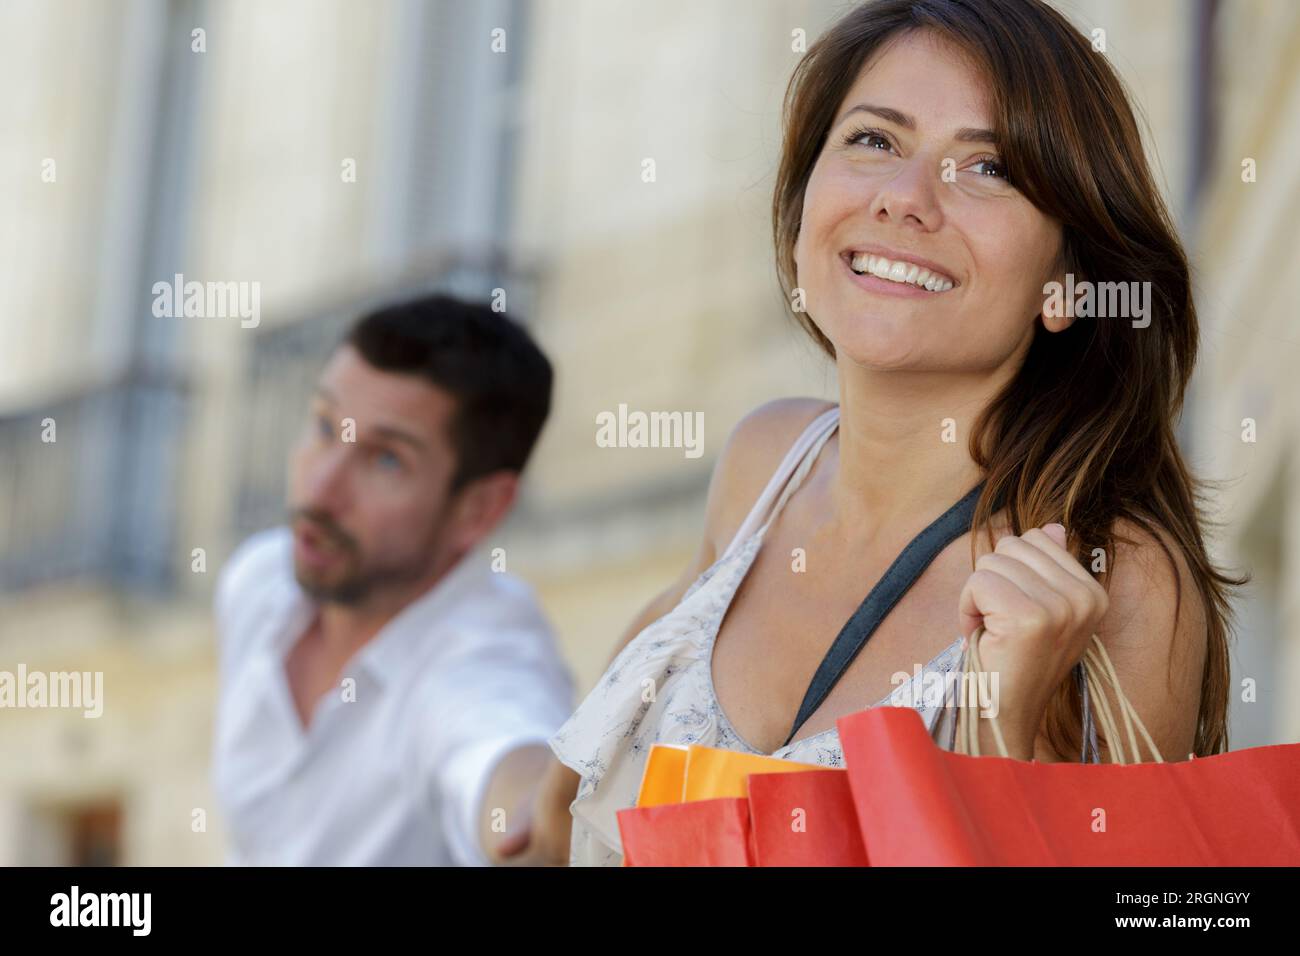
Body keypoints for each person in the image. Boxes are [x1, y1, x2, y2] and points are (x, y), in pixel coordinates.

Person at [526, 0, 1245, 866]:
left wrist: (998, 730)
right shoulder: (763, 466)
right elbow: (556, 806)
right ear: (802, 213)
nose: (906, 200)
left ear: (1066, 282)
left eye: (987, 167)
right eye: (873, 141)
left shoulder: (1116, 577)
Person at [211, 294, 574, 865]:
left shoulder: (482, 653)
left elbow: (502, 747)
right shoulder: (258, 583)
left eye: (386, 460)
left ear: (479, 509)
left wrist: (539, 815)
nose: (321, 489)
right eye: (325, 426)